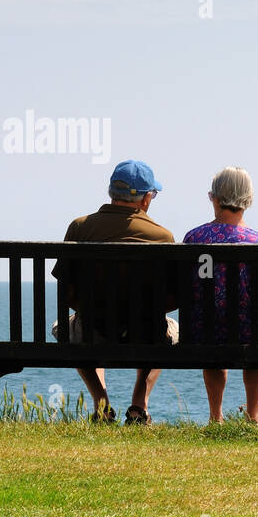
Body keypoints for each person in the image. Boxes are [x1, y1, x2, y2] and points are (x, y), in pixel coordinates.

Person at [52, 160, 177, 424]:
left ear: (111, 192)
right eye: (152, 195)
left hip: (94, 331)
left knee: (71, 327)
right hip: (145, 333)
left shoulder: (80, 228)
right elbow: (171, 299)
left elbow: (67, 291)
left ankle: (101, 403)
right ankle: (139, 405)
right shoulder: (162, 237)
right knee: (167, 330)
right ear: (144, 200)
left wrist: (94, 310)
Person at [181, 166, 258, 424]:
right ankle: (253, 415)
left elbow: (187, 291)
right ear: (248, 199)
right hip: (252, 332)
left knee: (213, 332)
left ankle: (216, 416)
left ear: (215, 197)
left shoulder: (195, 239)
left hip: (205, 332)